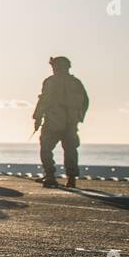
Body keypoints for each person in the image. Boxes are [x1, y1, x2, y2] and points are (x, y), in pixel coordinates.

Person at [33, 55, 89, 187]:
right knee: (70, 150)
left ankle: (50, 176)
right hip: (71, 123)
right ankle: (71, 179)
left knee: (46, 148)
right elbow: (85, 102)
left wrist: (37, 118)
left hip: (53, 121)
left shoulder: (50, 81)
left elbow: (43, 101)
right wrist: (79, 117)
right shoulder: (76, 83)